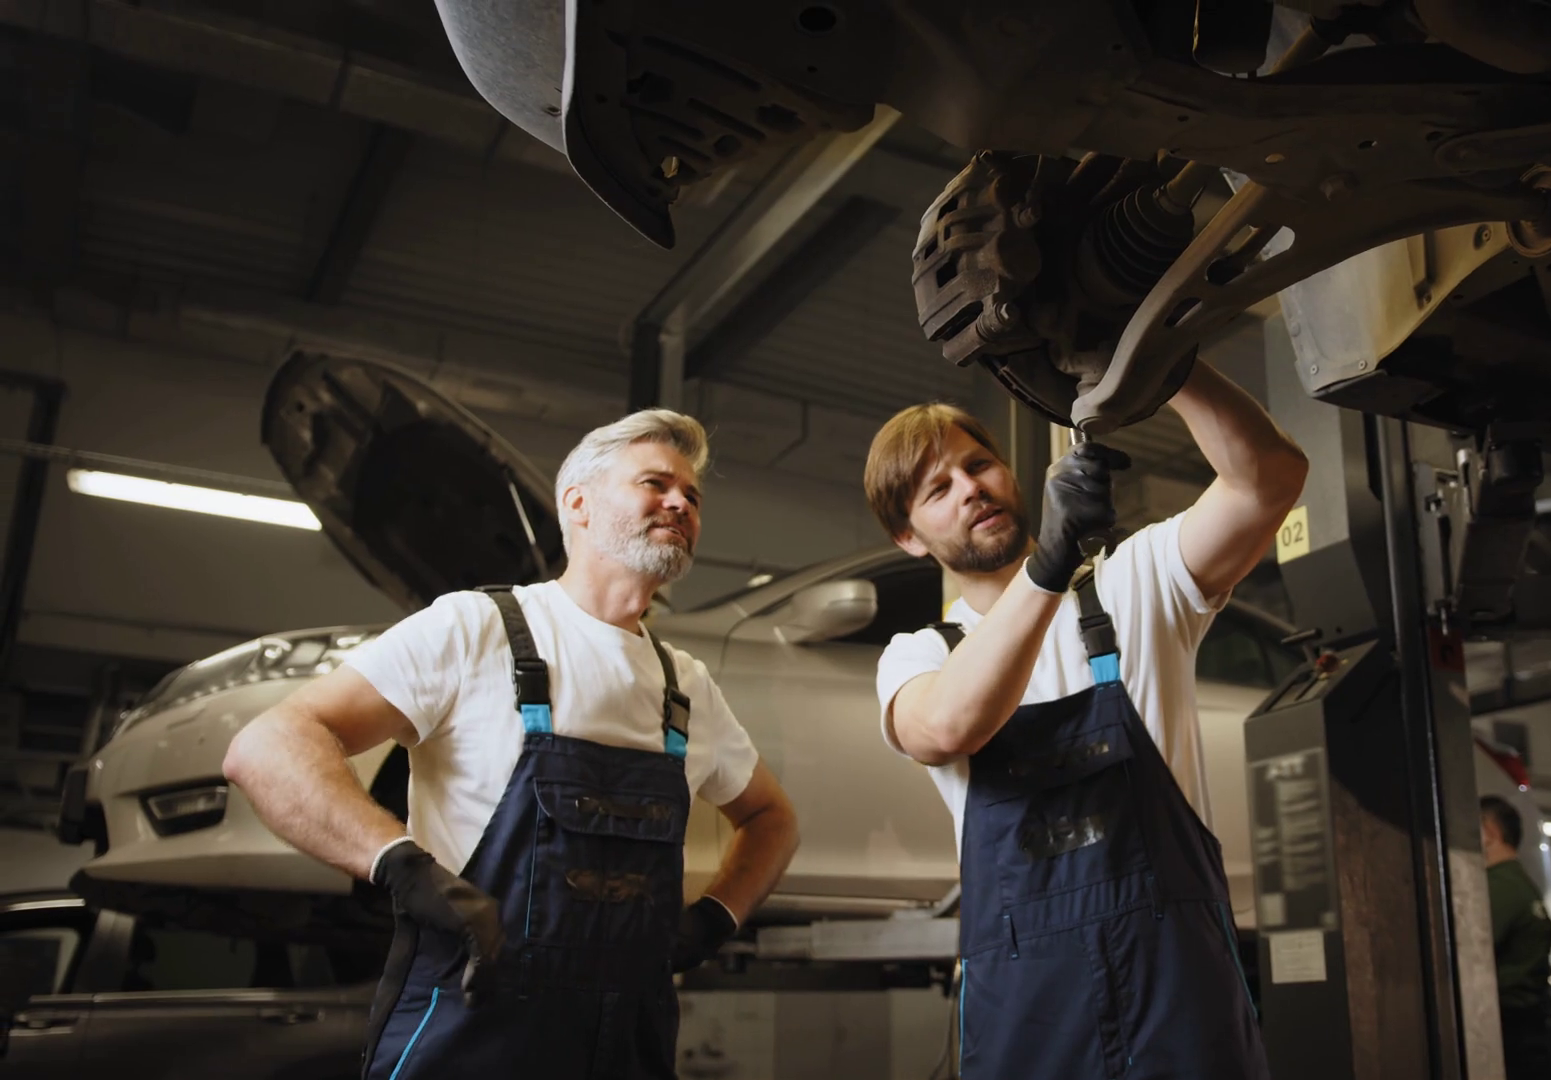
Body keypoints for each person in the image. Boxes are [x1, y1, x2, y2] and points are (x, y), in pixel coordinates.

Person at [223, 408, 799, 1080]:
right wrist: (402, 866)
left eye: (693, 496)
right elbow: (266, 744)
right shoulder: (478, 628)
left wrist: (713, 920)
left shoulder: (687, 685)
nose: (680, 502)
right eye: (656, 483)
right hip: (470, 1034)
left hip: (627, 1046)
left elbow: (772, 819)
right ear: (578, 504)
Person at [863, 360, 1308, 1079]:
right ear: (908, 539)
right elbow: (944, 729)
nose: (970, 489)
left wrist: (1155, 363)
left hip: (1179, 1000)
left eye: (979, 466)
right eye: (937, 490)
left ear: (1011, 474)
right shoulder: (917, 657)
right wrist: (1050, 570)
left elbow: (1271, 478)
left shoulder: (1137, 585)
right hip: (1029, 1019)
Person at [1482, 795, 1551, 1079]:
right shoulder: (1522, 885)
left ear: (1490, 833)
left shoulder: (1499, 888)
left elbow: (1468, 951)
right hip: (1528, 1029)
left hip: (1508, 1032)